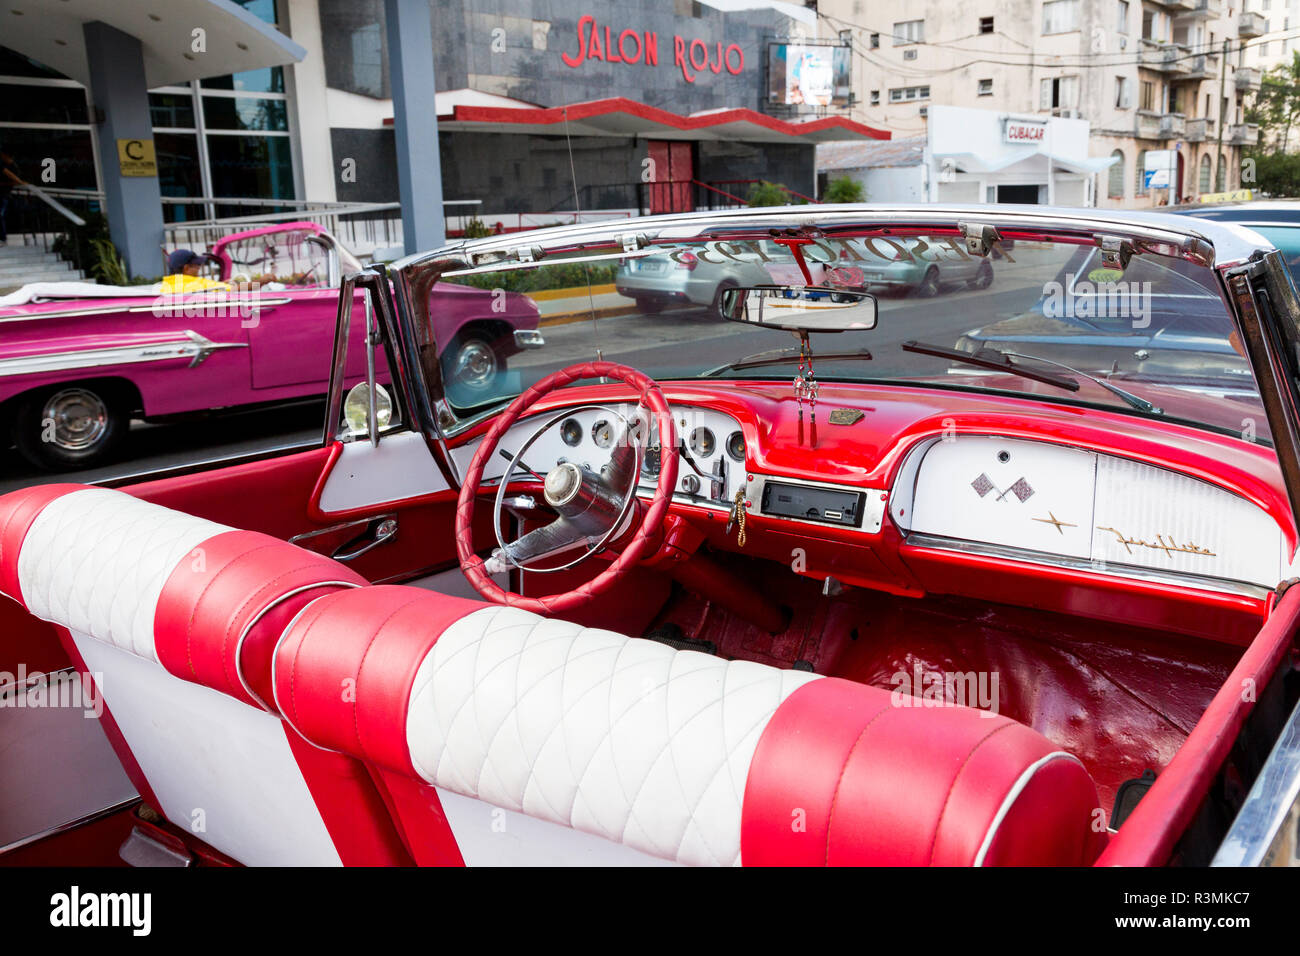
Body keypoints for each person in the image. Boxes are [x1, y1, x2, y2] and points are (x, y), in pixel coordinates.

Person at [160, 248, 228, 293]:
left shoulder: (164, 286)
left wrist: (223, 283)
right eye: (197, 264)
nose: (199, 268)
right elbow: (232, 289)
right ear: (186, 268)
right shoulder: (198, 285)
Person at [0, 147, 24, 247]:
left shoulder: (12, 167)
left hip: (3, 194)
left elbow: (8, 174)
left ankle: (2, 238)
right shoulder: (12, 166)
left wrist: (20, 182)